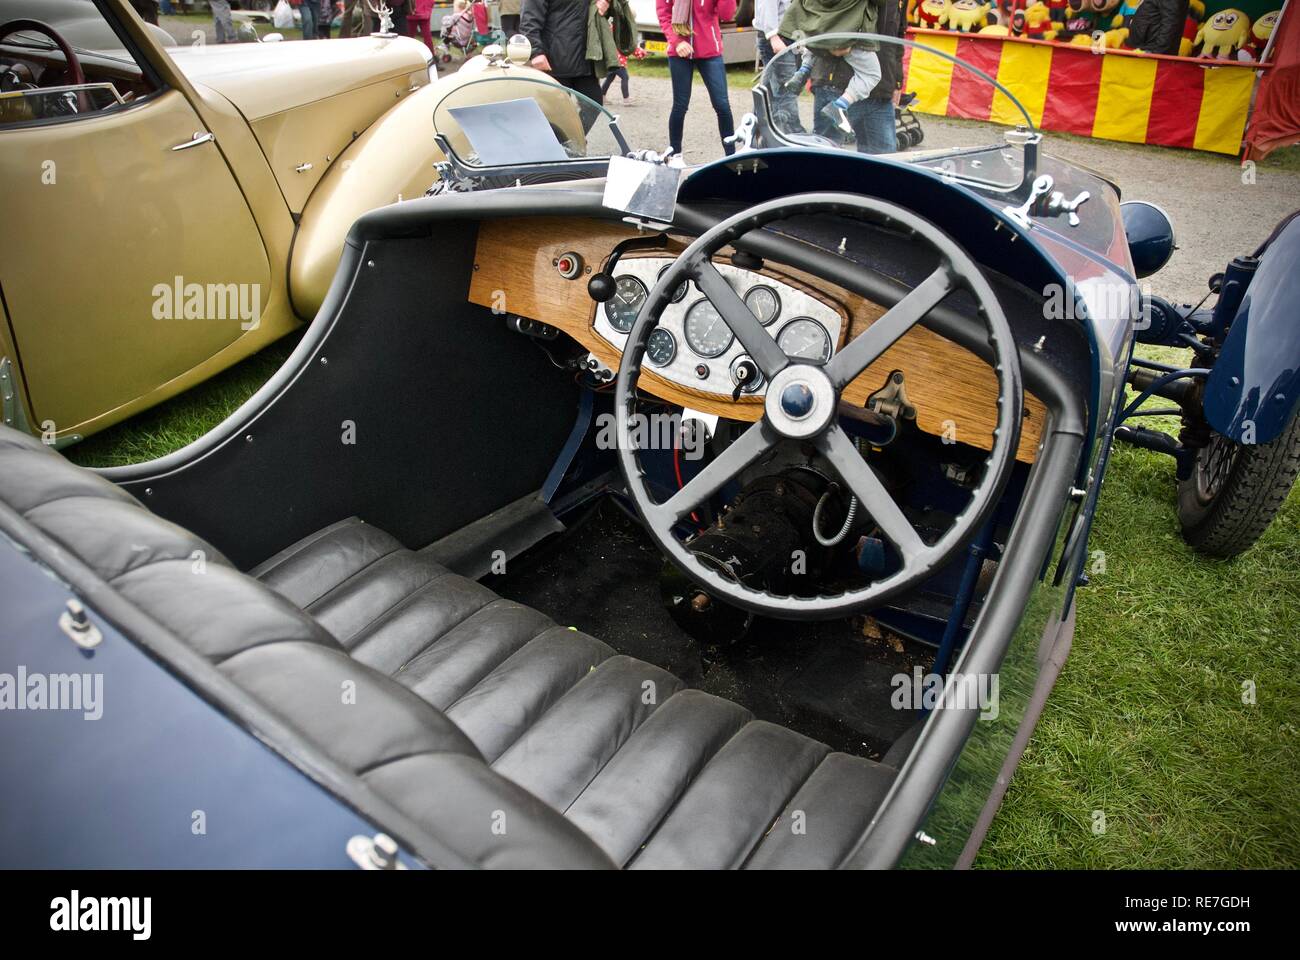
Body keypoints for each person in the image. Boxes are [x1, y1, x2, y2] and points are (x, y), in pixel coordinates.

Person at [779, 0, 880, 132]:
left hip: (817, 24)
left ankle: (803, 70)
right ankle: (840, 105)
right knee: (871, 74)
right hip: (847, 30)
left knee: (816, 39)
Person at [658, 0, 738, 161]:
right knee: (680, 105)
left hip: (710, 51)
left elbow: (726, 14)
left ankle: (731, 158)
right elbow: (664, 14)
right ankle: (676, 155)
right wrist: (676, 41)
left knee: (722, 105)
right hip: (679, 51)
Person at [521, 0, 632, 105]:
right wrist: (536, 52)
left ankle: (575, 126)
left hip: (585, 58)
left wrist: (606, 2)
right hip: (554, 60)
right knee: (556, 112)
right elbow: (529, 20)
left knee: (593, 103)